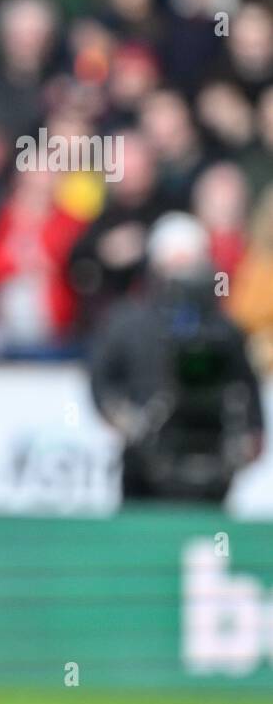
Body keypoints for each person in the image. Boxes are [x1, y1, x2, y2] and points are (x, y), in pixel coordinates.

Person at [90, 212, 264, 502]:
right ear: (158, 265)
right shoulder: (129, 322)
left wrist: (250, 436)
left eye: (190, 263)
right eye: (176, 265)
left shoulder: (224, 329)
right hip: (146, 461)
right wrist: (129, 421)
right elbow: (101, 382)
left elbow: (247, 386)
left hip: (212, 462)